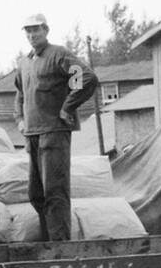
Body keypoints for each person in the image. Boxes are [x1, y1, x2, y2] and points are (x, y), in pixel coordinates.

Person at [13, 13, 99, 241]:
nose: (32, 35)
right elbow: (20, 94)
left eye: (37, 30)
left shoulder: (58, 55)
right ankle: (48, 241)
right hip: (32, 135)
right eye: (28, 31)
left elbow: (86, 78)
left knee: (55, 193)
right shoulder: (25, 61)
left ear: (46, 30)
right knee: (36, 194)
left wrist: (67, 108)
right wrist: (20, 120)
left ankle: (60, 246)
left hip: (54, 133)